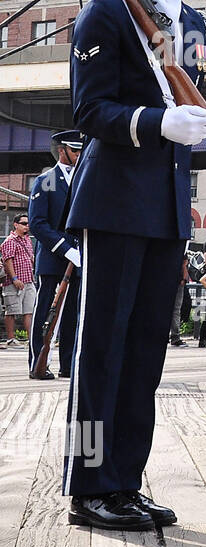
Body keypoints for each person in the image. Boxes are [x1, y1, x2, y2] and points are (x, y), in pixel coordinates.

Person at [63, 0, 206, 530]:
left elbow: (192, 97)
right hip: (115, 203)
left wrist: (192, 122)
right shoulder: (105, 15)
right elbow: (88, 111)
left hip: (166, 210)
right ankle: (89, 484)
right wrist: (157, 123)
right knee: (101, 350)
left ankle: (126, 480)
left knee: (148, 352)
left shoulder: (194, 23)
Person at [26, 130, 83, 380]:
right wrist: (65, 248)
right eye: (75, 151)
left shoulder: (84, 181)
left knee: (72, 314)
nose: (79, 155)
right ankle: (38, 362)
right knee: (44, 314)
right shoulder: (47, 180)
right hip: (53, 259)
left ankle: (68, 364)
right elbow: (38, 224)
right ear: (62, 151)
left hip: (79, 259)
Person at [2, 215, 38, 348]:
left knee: (29, 311)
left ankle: (31, 339)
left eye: (28, 223)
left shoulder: (28, 240)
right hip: (14, 282)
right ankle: (11, 339)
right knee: (12, 310)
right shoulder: (10, 241)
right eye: (23, 223)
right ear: (15, 224)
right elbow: (7, 261)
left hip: (29, 280)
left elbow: (30, 258)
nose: (26, 226)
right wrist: (14, 278)